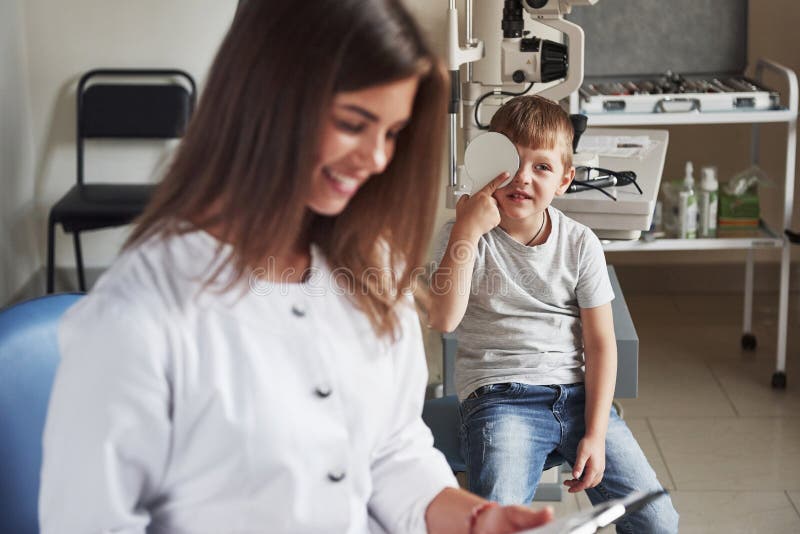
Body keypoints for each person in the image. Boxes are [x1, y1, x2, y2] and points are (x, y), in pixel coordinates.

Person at [38, 1, 558, 533]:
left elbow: (391, 451)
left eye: (391, 132)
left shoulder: (366, 265)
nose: (377, 159)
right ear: (266, 102)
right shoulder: (143, 314)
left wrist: (473, 519)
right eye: (354, 124)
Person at [426, 95, 679, 533]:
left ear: (564, 179)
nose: (522, 178)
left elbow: (600, 344)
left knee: (657, 520)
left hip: (577, 398)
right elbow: (444, 319)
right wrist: (467, 228)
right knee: (502, 524)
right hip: (500, 400)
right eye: (510, 162)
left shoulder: (581, 243)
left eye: (541, 167)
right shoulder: (462, 236)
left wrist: (596, 435)